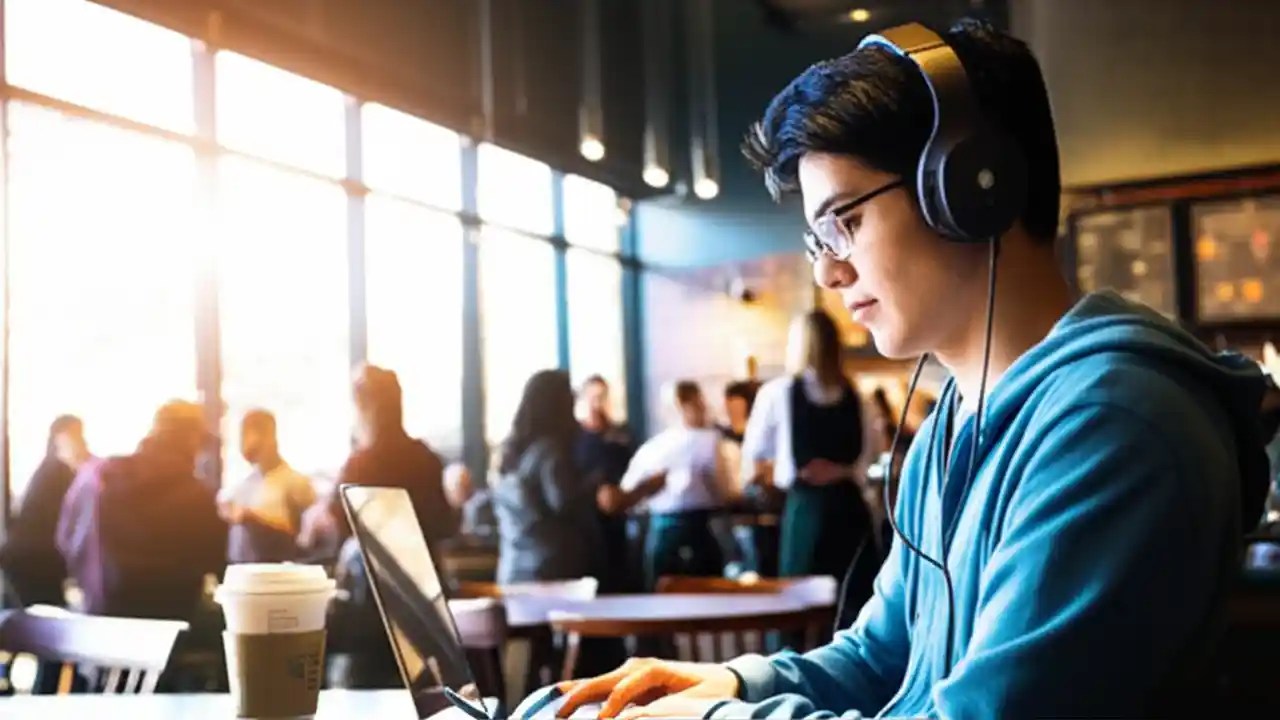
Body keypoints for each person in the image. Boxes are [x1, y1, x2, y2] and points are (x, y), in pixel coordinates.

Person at [554, 18, 1269, 719]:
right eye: (817, 239)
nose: (830, 272)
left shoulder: (1114, 425)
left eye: (848, 222)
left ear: (967, 189)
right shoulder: (951, 427)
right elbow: (880, 656)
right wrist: (735, 686)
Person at [741, 310, 881, 594]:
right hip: (842, 507)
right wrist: (844, 471)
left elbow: (754, 455)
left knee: (805, 604)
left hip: (815, 507)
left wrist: (771, 480)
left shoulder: (778, 392)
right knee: (852, 600)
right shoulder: (858, 397)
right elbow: (872, 455)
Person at [58, 401, 226, 619]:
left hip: (101, 620)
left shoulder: (99, 476)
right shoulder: (195, 494)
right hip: (171, 628)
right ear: (193, 439)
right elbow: (215, 559)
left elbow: (65, 538)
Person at [305, 365, 456, 555]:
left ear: (363, 408)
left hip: (374, 578)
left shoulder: (361, 465)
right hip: (426, 576)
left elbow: (336, 525)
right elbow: (445, 525)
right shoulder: (426, 458)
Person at [492, 369, 608, 584]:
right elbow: (565, 503)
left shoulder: (508, 453)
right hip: (554, 571)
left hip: (514, 567)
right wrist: (593, 487)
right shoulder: (551, 453)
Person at [620, 381, 737, 590]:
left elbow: (627, 491)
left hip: (662, 530)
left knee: (663, 599)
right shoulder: (709, 441)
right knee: (708, 598)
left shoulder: (653, 447)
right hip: (700, 528)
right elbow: (724, 490)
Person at [0, 416, 91, 607]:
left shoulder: (53, 470)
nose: (82, 442)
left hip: (28, 561)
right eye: (75, 436)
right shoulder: (59, 473)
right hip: (34, 563)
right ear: (59, 439)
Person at [219, 409, 316, 563]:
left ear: (267, 436)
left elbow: (304, 539)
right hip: (241, 574)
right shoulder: (242, 486)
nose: (242, 444)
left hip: (277, 574)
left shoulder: (296, 483)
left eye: (246, 435)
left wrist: (253, 521)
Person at [574, 375, 640, 593]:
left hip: (618, 519)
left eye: (601, 397)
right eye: (592, 397)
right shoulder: (575, 438)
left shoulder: (621, 436)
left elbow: (635, 472)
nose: (597, 403)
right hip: (586, 522)